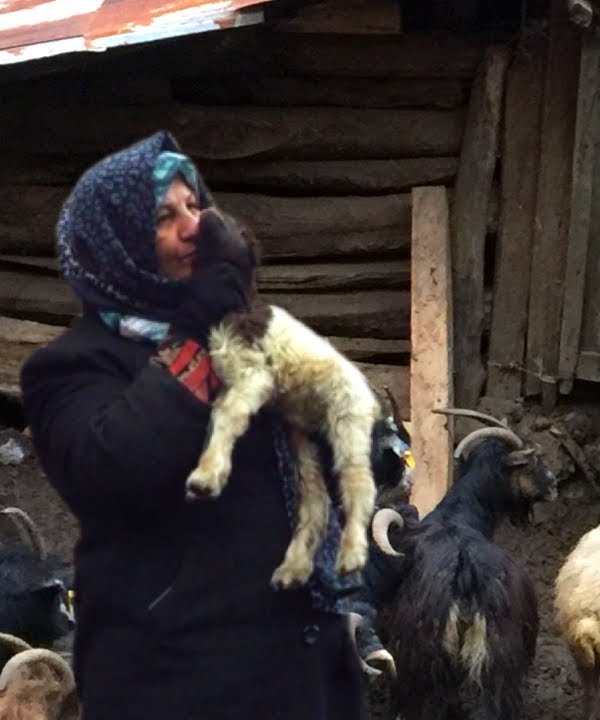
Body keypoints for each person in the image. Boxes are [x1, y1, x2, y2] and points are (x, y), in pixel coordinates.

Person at [19, 131, 366, 718]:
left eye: (196, 206)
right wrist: (200, 323)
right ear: (117, 243)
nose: (193, 228)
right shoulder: (70, 367)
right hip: (175, 679)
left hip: (298, 664)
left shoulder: (247, 336)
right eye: (164, 216)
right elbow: (117, 467)